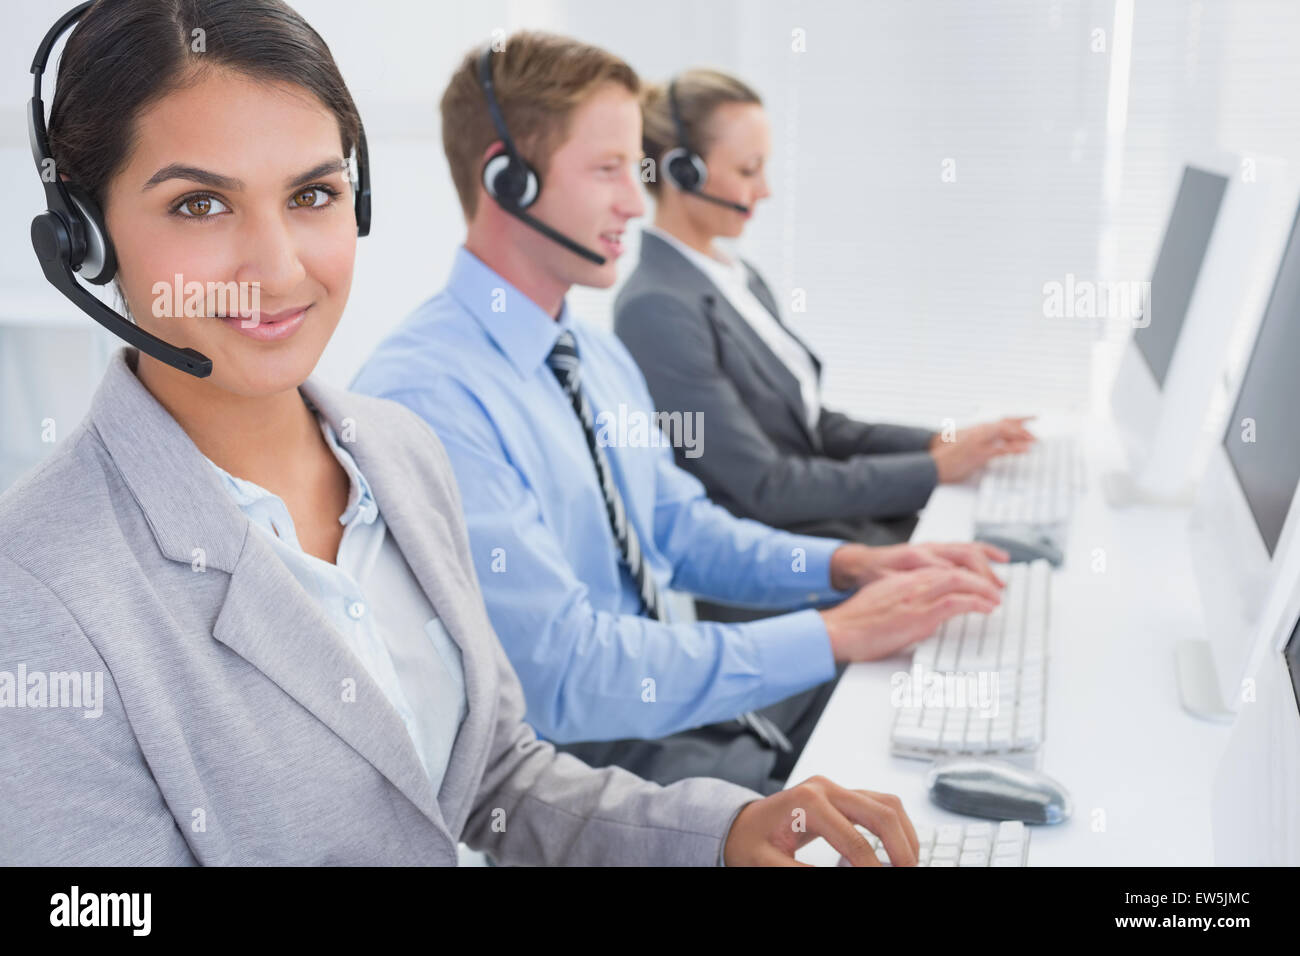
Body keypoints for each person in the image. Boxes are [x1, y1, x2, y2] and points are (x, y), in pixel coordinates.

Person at [1, 0, 925, 868]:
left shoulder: (397, 452)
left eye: (314, 195)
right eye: (200, 204)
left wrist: (719, 832)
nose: (277, 267)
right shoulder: (39, 589)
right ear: (85, 238)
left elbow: (494, 781)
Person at [351, 32, 1006, 795]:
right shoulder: (429, 400)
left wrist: (846, 568)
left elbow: (679, 528)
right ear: (507, 180)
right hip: (582, 777)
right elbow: (564, 672)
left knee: (942, 739)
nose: (638, 200)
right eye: (608, 171)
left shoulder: (594, 358)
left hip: (678, 716)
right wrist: (834, 632)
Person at [616, 69, 1035, 593]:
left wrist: (945, 442)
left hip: (836, 530)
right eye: (749, 170)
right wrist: (931, 470)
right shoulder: (656, 308)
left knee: (1020, 559)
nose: (764, 190)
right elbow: (764, 486)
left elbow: (814, 427)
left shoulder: (733, 275)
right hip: (791, 570)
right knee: (1001, 585)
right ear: (682, 172)